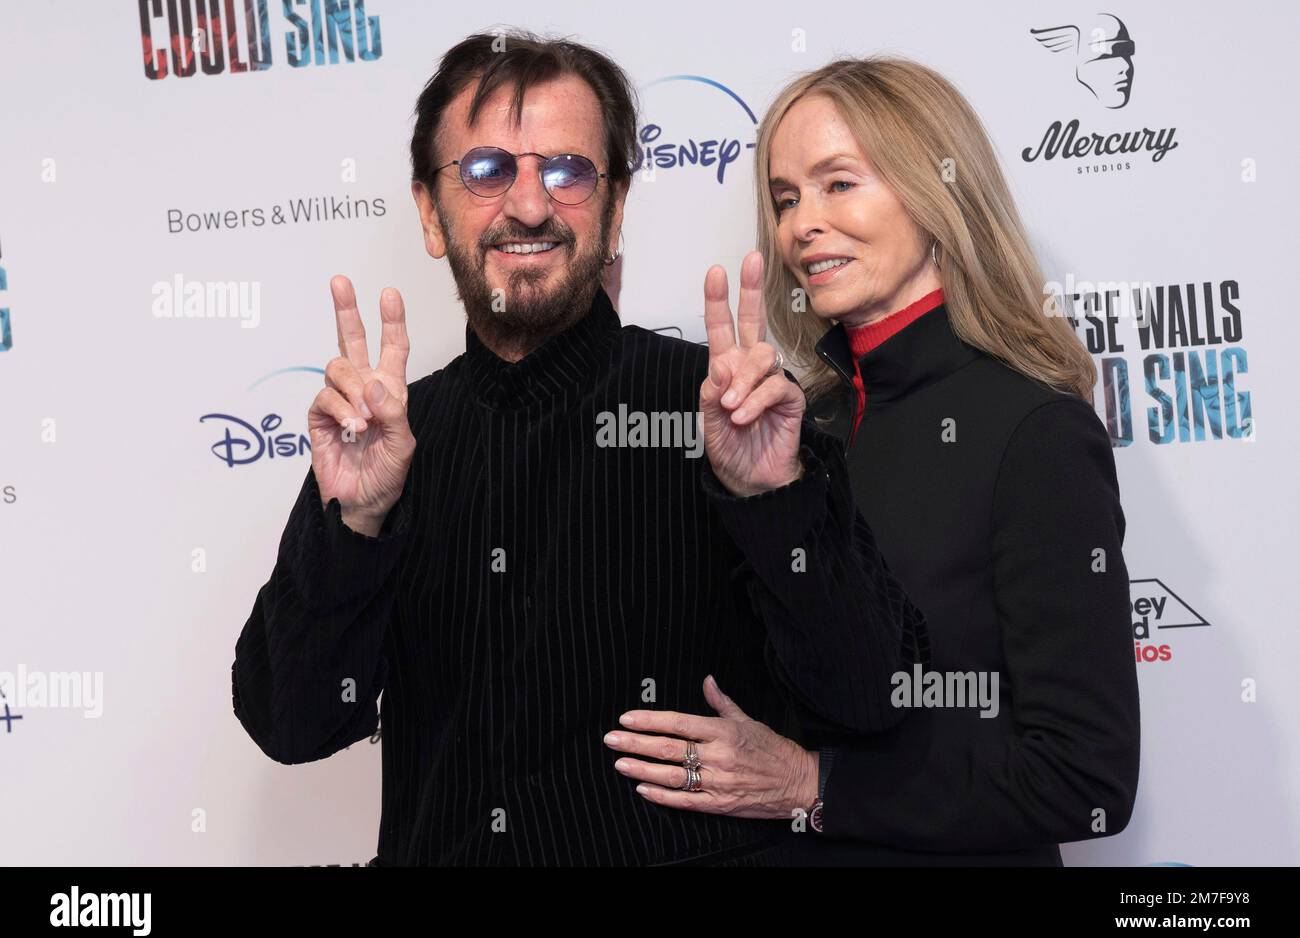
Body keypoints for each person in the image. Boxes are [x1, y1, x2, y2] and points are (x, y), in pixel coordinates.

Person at [230, 32, 927, 866]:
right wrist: (355, 522)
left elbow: (873, 697)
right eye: (488, 171)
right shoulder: (388, 441)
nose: (529, 206)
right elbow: (292, 723)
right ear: (428, 211)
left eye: (567, 172)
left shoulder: (729, 414)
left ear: (616, 206)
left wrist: (774, 497)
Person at [605, 56, 1140, 865]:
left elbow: (1085, 777)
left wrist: (815, 785)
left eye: (838, 184)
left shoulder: (1035, 432)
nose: (800, 225)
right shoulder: (797, 424)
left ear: (936, 194)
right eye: (785, 198)